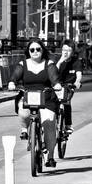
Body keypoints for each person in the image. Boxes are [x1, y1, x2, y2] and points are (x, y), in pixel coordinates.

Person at [8, 37, 65, 169]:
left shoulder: (49, 64)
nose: (35, 52)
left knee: (49, 122)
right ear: (28, 51)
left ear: (42, 50)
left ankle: (50, 156)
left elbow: (54, 78)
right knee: (22, 111)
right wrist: (12, 82)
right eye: (32, 49)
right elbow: (15, 76)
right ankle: (24, 129)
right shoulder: (23, 64)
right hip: (28, 96)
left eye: (38, 49)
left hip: (46, 97)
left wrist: (56, 85)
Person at [54, 40, 84, 137]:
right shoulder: (57, 60)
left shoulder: (76, 61)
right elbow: (52, 73)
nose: (66, 52)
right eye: (64, 50)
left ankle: (67, 125)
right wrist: (60, 62)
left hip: (69, 86)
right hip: (57, 86)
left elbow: (79, 74)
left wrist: (77, 82)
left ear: (73, 51)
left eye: (69, 50)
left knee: (66, 102)